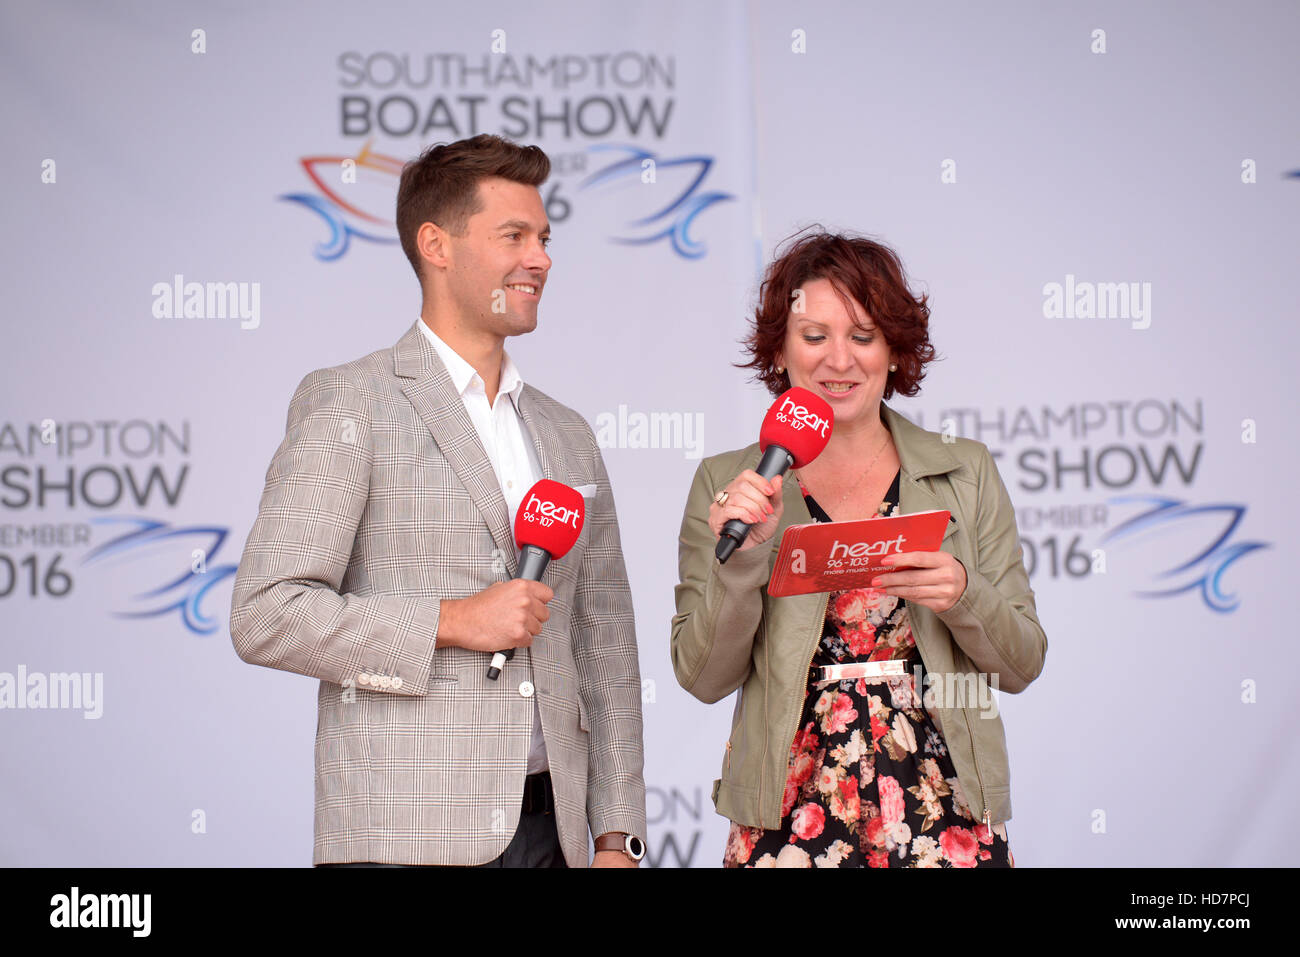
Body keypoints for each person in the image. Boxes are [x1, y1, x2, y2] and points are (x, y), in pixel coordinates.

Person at [230, 134, 647, 868]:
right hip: (404, 835)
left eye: (544, 238)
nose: (541, 257)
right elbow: (267, 614)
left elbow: (603, 641)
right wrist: (453, 622)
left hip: (556, 831)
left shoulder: (568, 432)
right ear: (437, 245)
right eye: (513, 235)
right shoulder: (350, 401)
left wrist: (616, 835)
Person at [671, 229, 1046, 867]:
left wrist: (963, 595)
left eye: (863, 337)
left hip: (943, 802)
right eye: (814, 336)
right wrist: (744, 567)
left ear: (896, 352)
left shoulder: (966, 471)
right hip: (787, 805)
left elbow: (1021, 665)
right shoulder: (730, 483)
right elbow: (703, 676)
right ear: (781, 350)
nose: (838, 361)